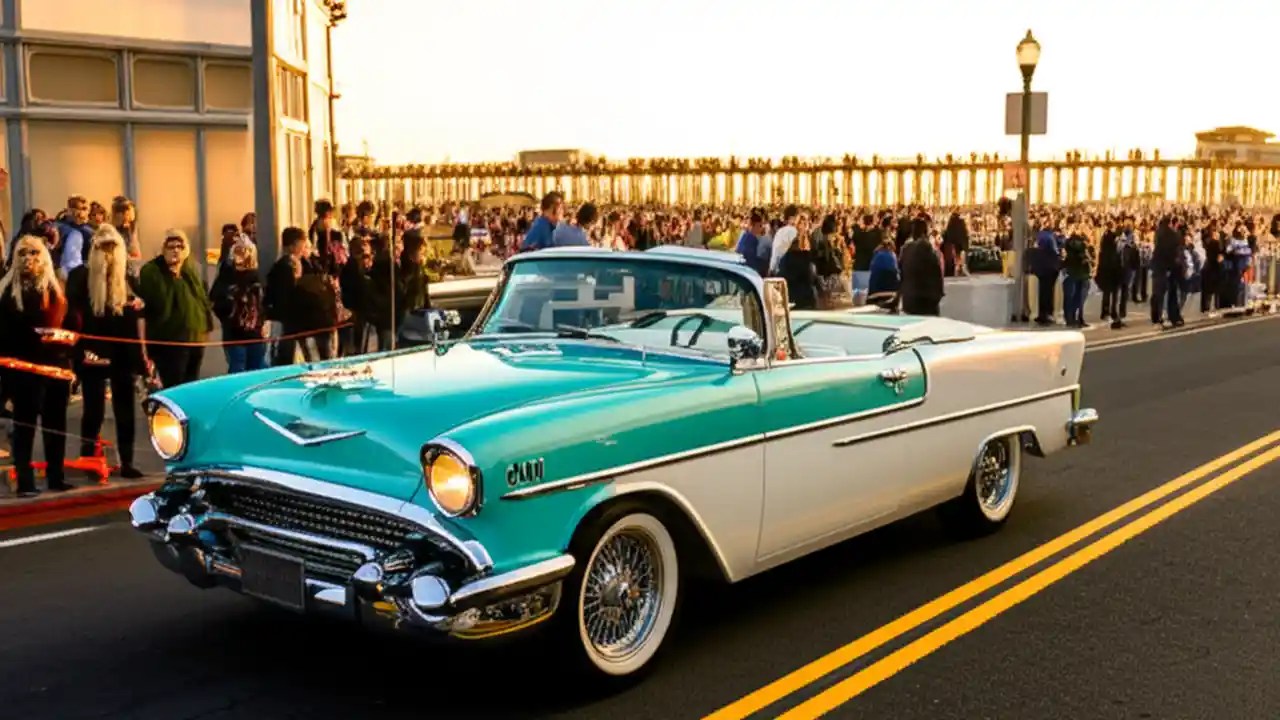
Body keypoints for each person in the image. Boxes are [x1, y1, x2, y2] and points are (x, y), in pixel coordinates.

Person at [64, 225, 149, 478]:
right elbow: (73, 318)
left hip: (122, 350)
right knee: (94, 408)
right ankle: (88, 458)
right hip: (93, 348)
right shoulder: (81, 276)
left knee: (125, 408)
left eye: (113, 247)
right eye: (103, 247)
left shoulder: (127, 277)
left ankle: (127, 461)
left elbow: (139, 314)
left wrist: (140, 359)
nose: (108, 253)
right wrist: (78, 353)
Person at [0, 236, 74, 496]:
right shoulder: (8, 292)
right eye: (22, 254)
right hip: (23, 369)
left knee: (55, 424)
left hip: (55, 366)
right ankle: (26, 481)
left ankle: (56, 476)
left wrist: (68, 351)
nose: (28, 259)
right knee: (25, 427)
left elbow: (71, 325)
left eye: (33, 253)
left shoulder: (55, 290)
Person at [137, 230, 213, 388]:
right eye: (171, 246)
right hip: (169, 341)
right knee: (174, 387)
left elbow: (201, 300)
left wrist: (206, 327)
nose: (176, 250)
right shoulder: (152, 271)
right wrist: (173, 277)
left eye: (179, 246)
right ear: (163, 249)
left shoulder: (191, 270)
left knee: (191, 386)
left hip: (195, 339)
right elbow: (156, 304)